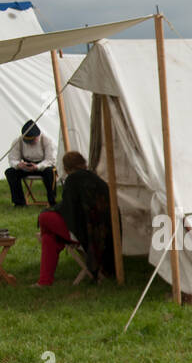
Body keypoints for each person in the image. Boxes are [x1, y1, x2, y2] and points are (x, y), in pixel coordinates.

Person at [34, 151, 113, 286]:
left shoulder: (73, 179)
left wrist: (51, 210)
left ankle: (44, 281)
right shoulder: (97, 179)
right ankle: (44, 281)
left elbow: (68, 208)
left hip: (86, 232)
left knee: (44, 217)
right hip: (102, 231)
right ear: (84, 163)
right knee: (49, 239)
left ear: (65, 168)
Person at [6, 120, 57, 206]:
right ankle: (19, 203)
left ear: (38, 136)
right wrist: (18, 165)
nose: (30, 143)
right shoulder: (18, 141)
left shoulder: (47, 140)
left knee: (50, 172)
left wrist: (37, 166)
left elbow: (50, 160)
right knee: (10, 172)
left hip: (43, 166)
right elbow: (12, 158)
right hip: (26, 166)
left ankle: (52, 201)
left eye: (33, 140)